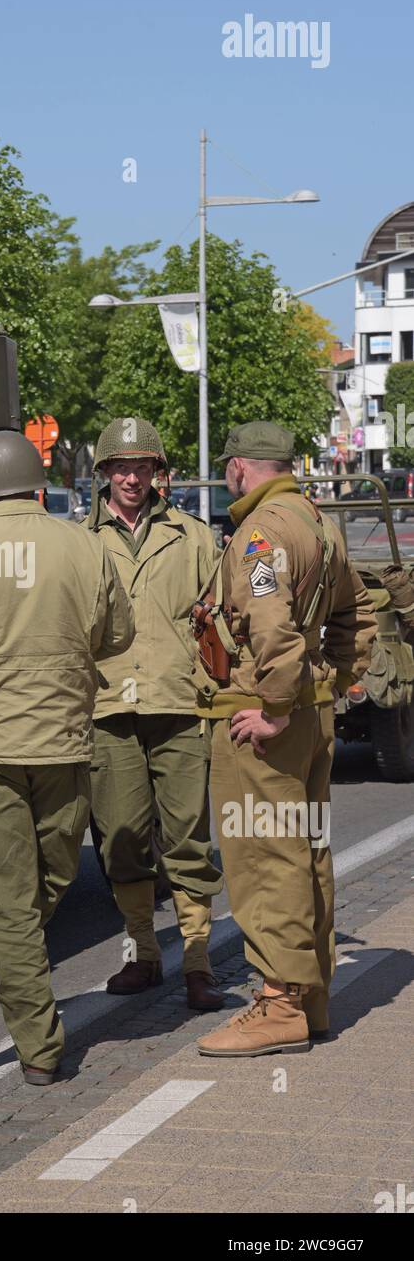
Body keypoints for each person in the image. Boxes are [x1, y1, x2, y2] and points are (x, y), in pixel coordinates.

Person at [0, 430, 133, 1084]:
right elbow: (117, 635)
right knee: (50, 884)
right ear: (38, 484)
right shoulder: (83, 547)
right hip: (63, 745)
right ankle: (41, 1045)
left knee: (9, 900)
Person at [195, 422, 377, 1056]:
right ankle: (312, 996)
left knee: (265, 856)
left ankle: (280, 1003)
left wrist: (273, 707)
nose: (225, 478)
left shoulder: (262, 532)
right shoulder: (322, 525)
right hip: (312, 713)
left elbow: (269, 623)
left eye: (227, 469)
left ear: (241, 468)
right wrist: (335, 680)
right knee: (307, 853)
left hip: (262, 721)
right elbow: (359, 613)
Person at [85, 418, 225, 1011]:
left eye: (141, 466)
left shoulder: (194, 537)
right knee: (119, 837)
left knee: (189, 838)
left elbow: (220, 621)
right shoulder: (81, 543)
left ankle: (197, 959)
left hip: (178, 703)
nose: (131, 476)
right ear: (103, 475)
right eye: (120, 466)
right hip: (110, 705)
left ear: (156, 473)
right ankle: (144, 952)